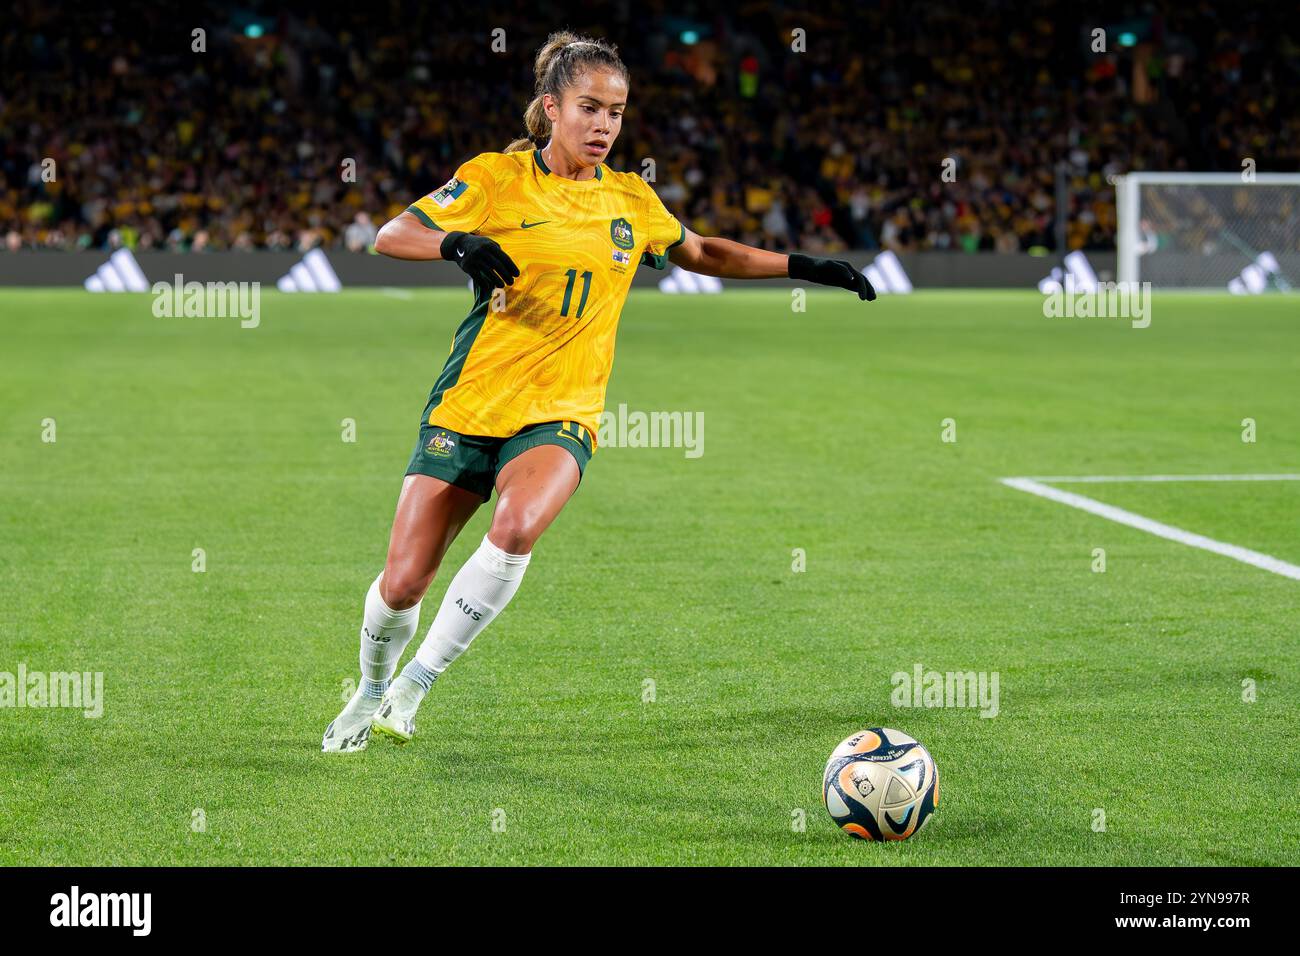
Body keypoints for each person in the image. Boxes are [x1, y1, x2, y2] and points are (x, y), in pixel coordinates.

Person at [322, 31, 874, 753]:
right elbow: (393, 235)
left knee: (517, 530)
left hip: (561, 412)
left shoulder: (630, 197)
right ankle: (367, 692)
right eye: (590, 108)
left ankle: (415, 686)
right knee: (401, 585)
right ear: (551, 108)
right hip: (470, 405)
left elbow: (703, 250)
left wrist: (804, 265)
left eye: (616, 111)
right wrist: (457, 243)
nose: (605, 125)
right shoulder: (495, 178)